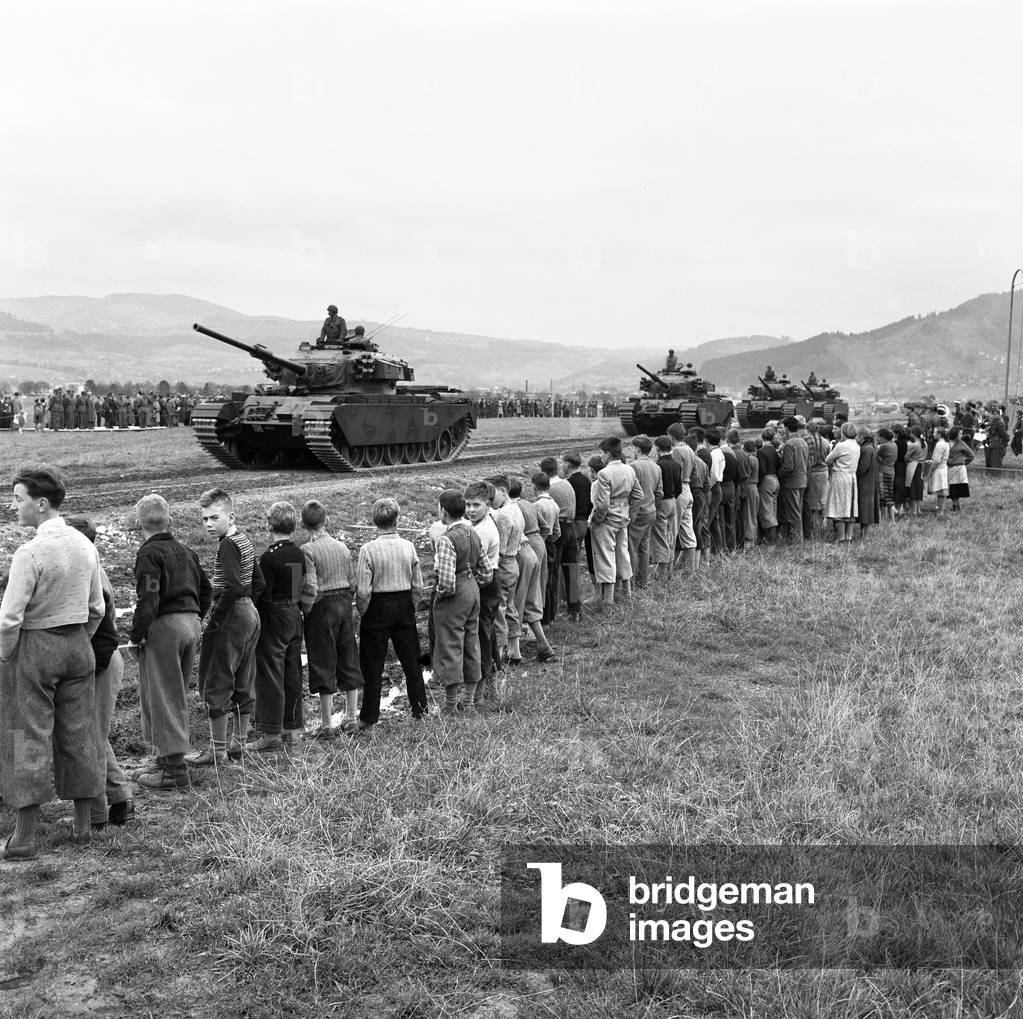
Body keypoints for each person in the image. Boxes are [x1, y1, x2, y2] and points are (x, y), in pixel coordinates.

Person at [0, 467, 105, 859]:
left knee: (26, 733)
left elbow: (9, 618)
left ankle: (24, 838)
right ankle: (82, 829)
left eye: (18, 499)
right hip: (78, 644)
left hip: (35, 646)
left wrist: (8, 654)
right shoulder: (85, 545)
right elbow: (97, 607)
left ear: (41, 504)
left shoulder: (29, 552)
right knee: (78, 731)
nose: (13, 506)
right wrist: (79, 640)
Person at [129, 493, 211, 790]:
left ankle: (174, 770)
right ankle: (164, 759)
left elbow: (148, 598)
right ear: (170, 520)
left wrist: (136, 634)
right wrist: (196, 617)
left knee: (164, 696)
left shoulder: (149, 555)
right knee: (176, 692)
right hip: (190, 623)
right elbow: (207, 588)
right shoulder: (187, 550)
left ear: (139, 524)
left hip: (166, 627)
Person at [65, 516, 134, 830]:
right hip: (104, 658)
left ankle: (101, 811)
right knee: (93, 735)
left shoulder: (87, 573)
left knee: (90, 737)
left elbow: (92, 620)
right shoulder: (94, 569)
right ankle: (117, 801)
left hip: (100, 661)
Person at [189, 488, 264, 767]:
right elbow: (259, 582)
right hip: (249, 611)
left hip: (232, 613)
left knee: (217, 680)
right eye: (204, 518)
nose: (208, 523)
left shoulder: (227, 545)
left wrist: (214, 621)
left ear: (230, 516)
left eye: (214, 517)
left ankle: (217, 751)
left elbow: (230, 587)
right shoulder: (244, 540)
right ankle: (238, 745)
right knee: (243, 678)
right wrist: (249, 606)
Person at [355, 497, 429, 729]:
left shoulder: (368, 549)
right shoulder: (409, 546)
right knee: (411, 661)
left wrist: (363, 611)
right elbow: (418, 585)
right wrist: (412, 605)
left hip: (377, 606)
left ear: (374, 521)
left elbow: (363, 590)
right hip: (404, 603)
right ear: (397, 519)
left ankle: (368, 717)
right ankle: (420, 709)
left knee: (372, 665)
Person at [299, 500, 362, 738]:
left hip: (321, 607)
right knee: (348, 655)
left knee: (322, 659)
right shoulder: (343, 548)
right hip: (344, 603)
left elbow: (310, 587)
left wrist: (305, 610)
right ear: (327, 521)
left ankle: (327, 724)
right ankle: (351, 716)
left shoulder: (307, 550)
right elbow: (353, 582)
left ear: (304, 524)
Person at [430, 489, 493, 713]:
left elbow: (446, 581)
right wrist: (472, 584)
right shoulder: (472, 533)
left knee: (450, 646)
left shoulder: (446, 539)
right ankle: (468, 702)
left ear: (443, 512)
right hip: (473, 589)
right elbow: (486, 572)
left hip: (455, 594)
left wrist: (440, 593)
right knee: (471, 645)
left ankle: (449, 704)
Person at [251, 502, 307, 752]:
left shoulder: (269, 557)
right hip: (295, 613)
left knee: (270, 673)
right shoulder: (298, 553)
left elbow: (264, 594)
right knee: (292, 672)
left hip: (275, 615)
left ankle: (271, 731)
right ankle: (291, 728)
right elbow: (298, 585)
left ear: (270, 524)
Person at [587, 439, 643, 612]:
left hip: (607, 521)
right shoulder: (629, 469)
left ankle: (609, 600)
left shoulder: (604, 474)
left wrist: (596, 520)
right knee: (622, 555)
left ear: (608, 454)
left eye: (603, 453)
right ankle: (627, 594)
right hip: (623, 519)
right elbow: (639, 495)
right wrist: (631, 514)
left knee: (605, 557)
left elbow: (602, 505)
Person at [463, 481, 502, 706]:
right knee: (488, 632)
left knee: (481, 636)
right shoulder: (482, 522)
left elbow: (473, 563)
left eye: (476, 505)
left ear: (487, 504)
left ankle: (481, 692)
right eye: (467, 504)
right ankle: (491, 684)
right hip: (488, 582)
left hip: (484, 585)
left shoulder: (482, 531)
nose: (470, 510)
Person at [627, 436, 662, 585]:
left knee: (631, 548)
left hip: (638, 513)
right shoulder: (656, 467)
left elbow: (631, 493)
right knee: (644, 547)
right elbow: (659, 492)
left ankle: (632, 582)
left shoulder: (634, 466)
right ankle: (643, 581)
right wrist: (653, 505)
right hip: (651, 511)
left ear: (638, 449)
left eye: (633, 447)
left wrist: (631, 514)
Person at [824, 422, 860, 543]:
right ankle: (849, 536)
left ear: (843, 432)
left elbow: (827, 460)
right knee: (850, 507)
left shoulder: (841, 445)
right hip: (852, 477)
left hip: (840, 476)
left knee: (839, 507)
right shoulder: (856, 445)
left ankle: (840, 537)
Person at [651, 435, 682, 575]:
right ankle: (669, 566)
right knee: (669, 534)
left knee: (660, 536)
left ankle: (661, 570)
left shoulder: (659, 465)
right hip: (673, 502)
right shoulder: (676, 464)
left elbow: (657, 489)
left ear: (657, 448)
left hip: (662, 502)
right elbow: (679, 488)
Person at [777, 417, 809, 544]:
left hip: (792, 482)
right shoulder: (802, 441)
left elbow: (788, 466)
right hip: (802, 480)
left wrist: (779, 475)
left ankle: (797, 542)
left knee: (794, 514)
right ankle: (797, 540)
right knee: (798, 511)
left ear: (786, 427)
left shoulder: (790, 444)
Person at [802, 421, 831, 541]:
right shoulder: (825, 442)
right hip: (824, 471)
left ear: (808, 430)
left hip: (812, 473)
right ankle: (823, 525)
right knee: (822, 500)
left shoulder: (806, 441)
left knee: (812, 502)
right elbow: (829, 457)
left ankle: (814, 528)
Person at [756, 427, 780, 545]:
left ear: (762, 437)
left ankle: (771, 543)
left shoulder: (761, 451)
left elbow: (762, 470)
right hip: (775, 479)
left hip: (766, 480)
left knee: (766, 511)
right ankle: (773, 540)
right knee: (773, 510)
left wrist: (758, 482)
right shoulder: (774, 450)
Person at [855, 428, 880, 537]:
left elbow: (862, 468)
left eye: (857, 436)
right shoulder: (870, 447)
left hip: (865, 483)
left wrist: (854, 473)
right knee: (867, 508)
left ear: (861, 437)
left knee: (865, 508)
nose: (856, 438)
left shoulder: (866, 449)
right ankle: (863, 533)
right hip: (869, 482)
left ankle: (865, 535)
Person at [947, 426, 974, 512]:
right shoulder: (947, 443)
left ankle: (957, 505)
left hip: (959, 469)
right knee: (950, 488)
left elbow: (971, 455)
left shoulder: (962, 443)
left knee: (957, 488)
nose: (961, 435)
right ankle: (956, 505)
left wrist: (963, 463)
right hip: (949, 468)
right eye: (960, 433)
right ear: (955, 434)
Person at [876, 427, 897, 523]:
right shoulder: (894, 445)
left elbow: (876, 456)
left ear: (883, 437)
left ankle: (885, 519)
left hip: (883, 472)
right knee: (889, 496)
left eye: (878, 437)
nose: (877, 439)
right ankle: (891, 519)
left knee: (883, 497)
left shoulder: (883, 447)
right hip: (891, 471)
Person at [927, 427, 951, 515]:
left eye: (934, 433)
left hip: (940, 469)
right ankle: (941, 509)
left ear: (939, 434)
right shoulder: (945, 443)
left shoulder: (940, 444)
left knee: (941, 491)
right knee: (941, 490)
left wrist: (931, 470)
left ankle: (940, 511)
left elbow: (937, 460)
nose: (933, 434)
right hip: (943, 467)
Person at [905, 426, 927, 516]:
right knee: (918, 488)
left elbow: (906, 457)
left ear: (913, 434)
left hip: (913, 467)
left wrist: (908, 459)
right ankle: (918, 509)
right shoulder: (924, 443)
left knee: (913, 488)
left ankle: (914, 510)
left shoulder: (913, 445)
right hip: (921, 466)